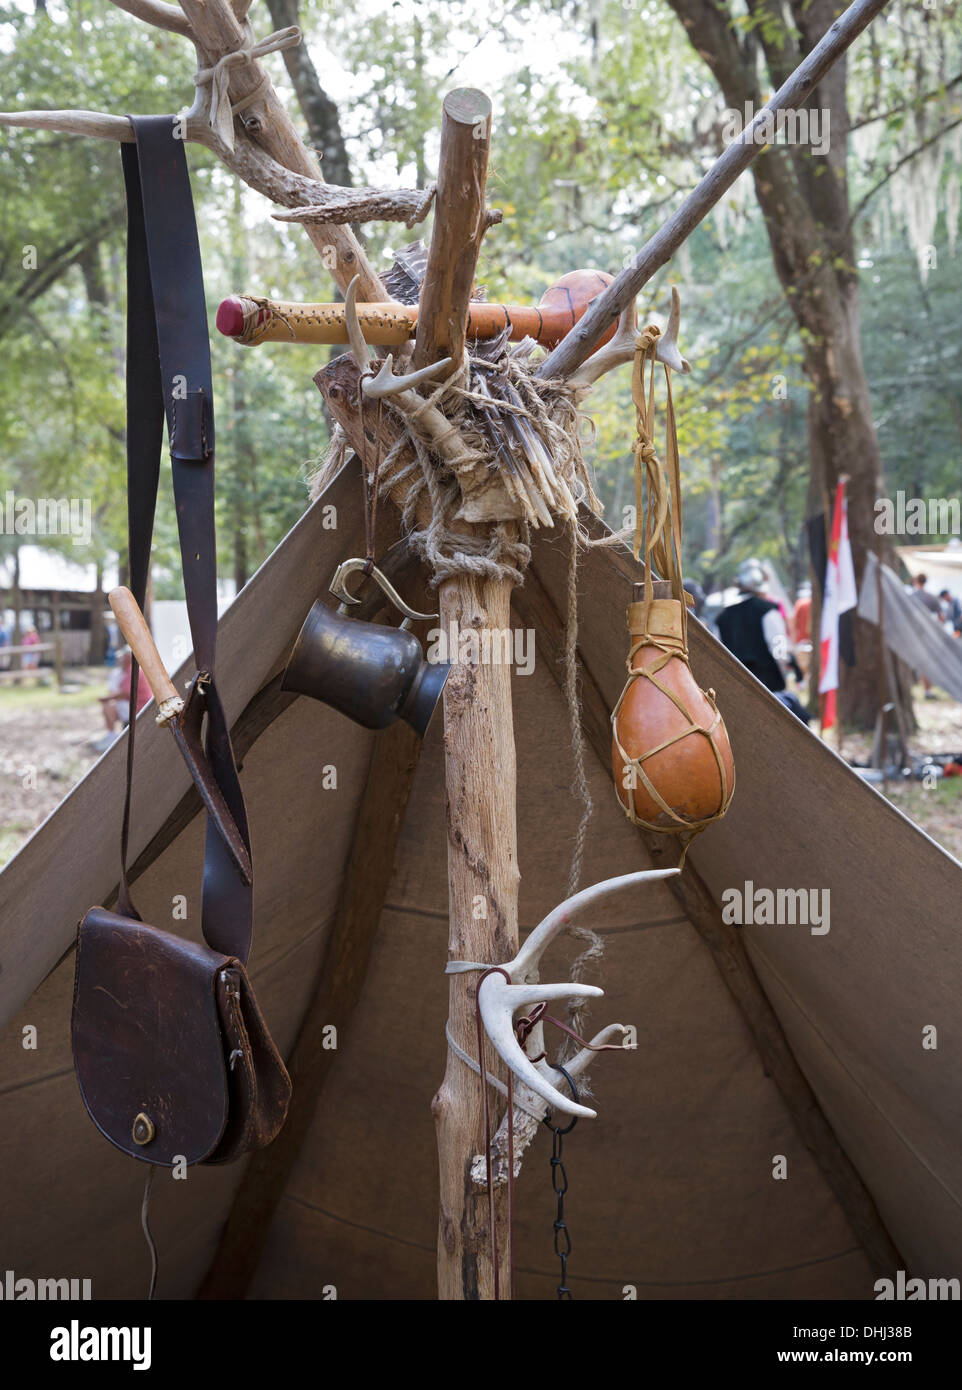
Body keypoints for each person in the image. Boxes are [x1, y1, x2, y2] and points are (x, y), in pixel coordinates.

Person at [716, 558, 791, 694]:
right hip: (768, 686)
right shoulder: (768, 610)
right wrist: (784, 669)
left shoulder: (723, 616)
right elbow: (779, 649)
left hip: (735, 685)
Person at [99, 648, 152, 733]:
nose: (120, 661)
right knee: (110, 705)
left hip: (139, 707)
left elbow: (125, 694)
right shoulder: (126, 672)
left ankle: (111, 735)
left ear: (128, 658)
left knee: (108, 706)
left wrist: (106, 698)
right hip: (134, 704)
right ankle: (112, 734)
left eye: (122, 658)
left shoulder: (133, 670)